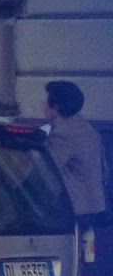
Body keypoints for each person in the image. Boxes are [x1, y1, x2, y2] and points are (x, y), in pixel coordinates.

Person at [44, 80, 106, 229]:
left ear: (56, 106)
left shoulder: (63, 134)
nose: (43, 104)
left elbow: (47, 168)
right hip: (95, 203)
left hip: (77, 207)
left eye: (46, 100)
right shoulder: (86, 128)